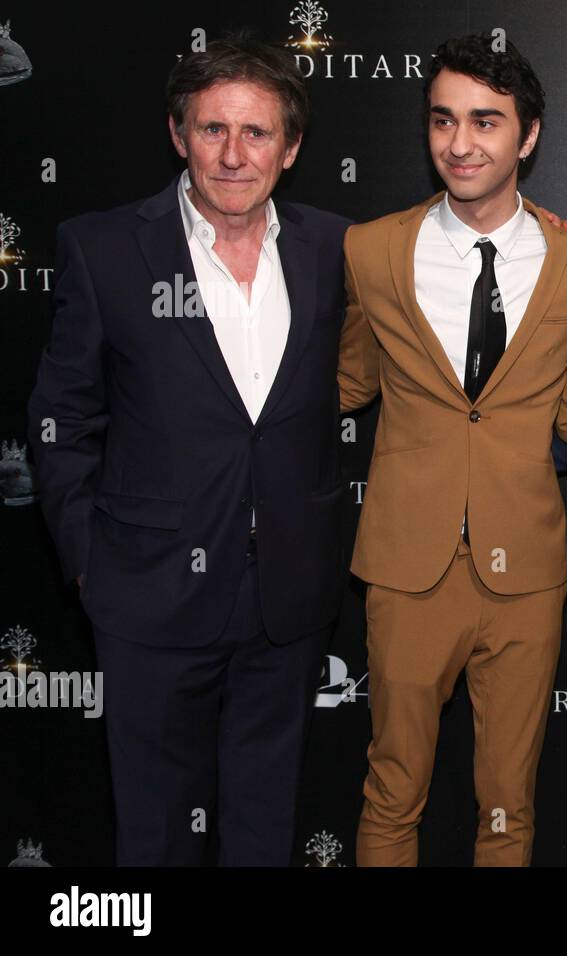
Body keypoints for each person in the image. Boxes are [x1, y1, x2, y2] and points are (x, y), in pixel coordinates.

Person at [27, 37, 350, 865]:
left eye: (256, 133)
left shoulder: (338, 250)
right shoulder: (103, 249)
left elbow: (460, 259)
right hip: (146, 592)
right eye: (213, 130)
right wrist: (89, 562)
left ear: (292, 146)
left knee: (262, 826)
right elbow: (60, 419)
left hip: (285, 595)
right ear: (179, 135)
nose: (234, 155)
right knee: (155, 833)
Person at [337, 34, 567, 867]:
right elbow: (342, 386)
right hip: (405, 568)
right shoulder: (370, 250)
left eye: (486, 122)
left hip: (526, 573)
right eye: (443, 120)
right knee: (392, 791)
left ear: (526, 136)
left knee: (508, 805)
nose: (461, 143)